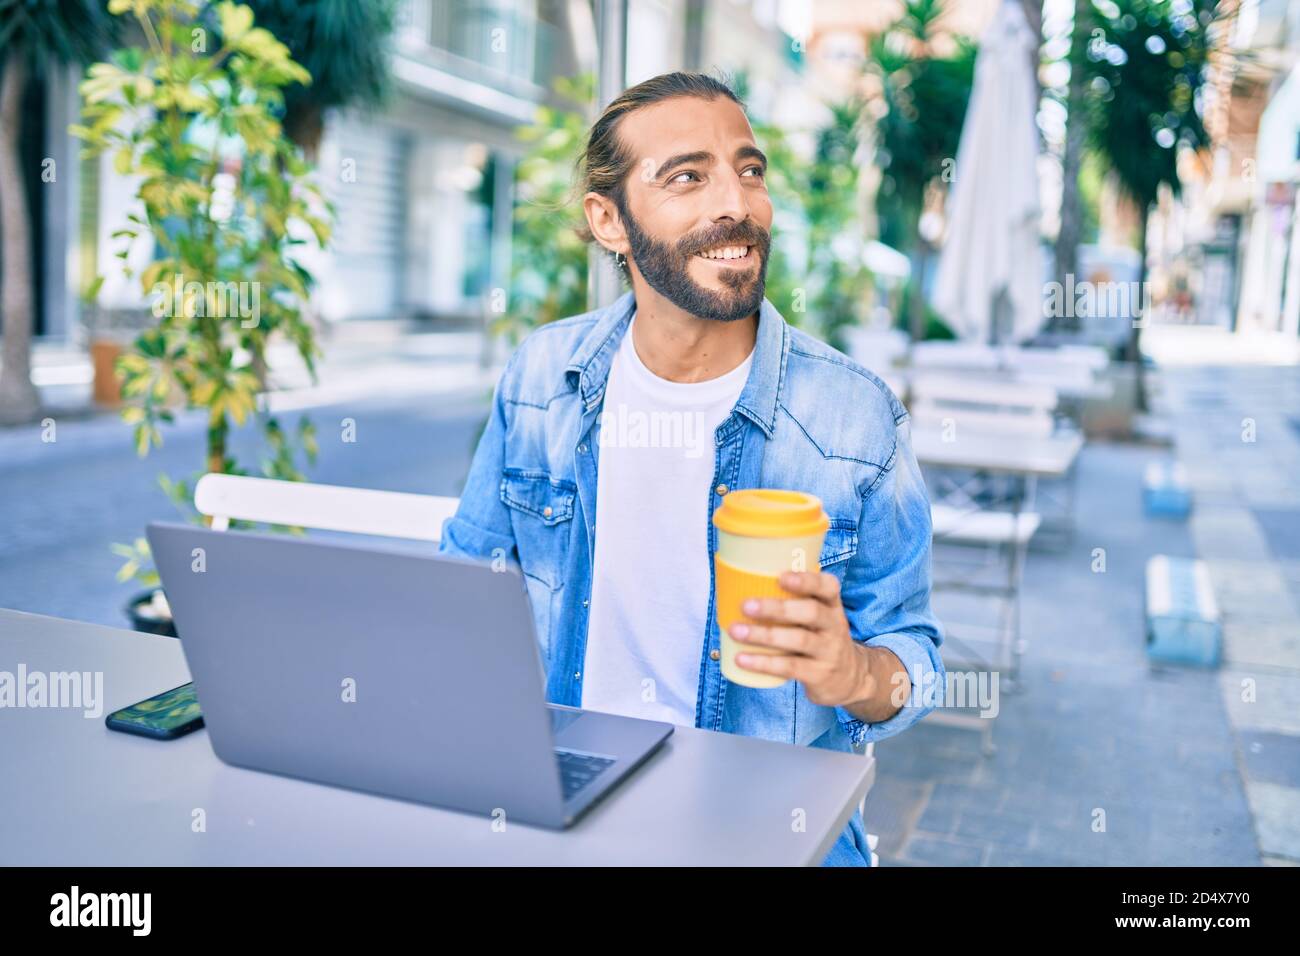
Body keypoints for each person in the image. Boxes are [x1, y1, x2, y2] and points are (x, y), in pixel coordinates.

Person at [440, 71, 943, 866]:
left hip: (769, 827)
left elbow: (914, 660)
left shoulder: (854, 416)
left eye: (749, 170)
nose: (737, 204)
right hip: (561, 805)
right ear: (609, 220)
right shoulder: (543, 378)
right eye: (687, 177)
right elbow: (465, 581)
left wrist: (852, 673)